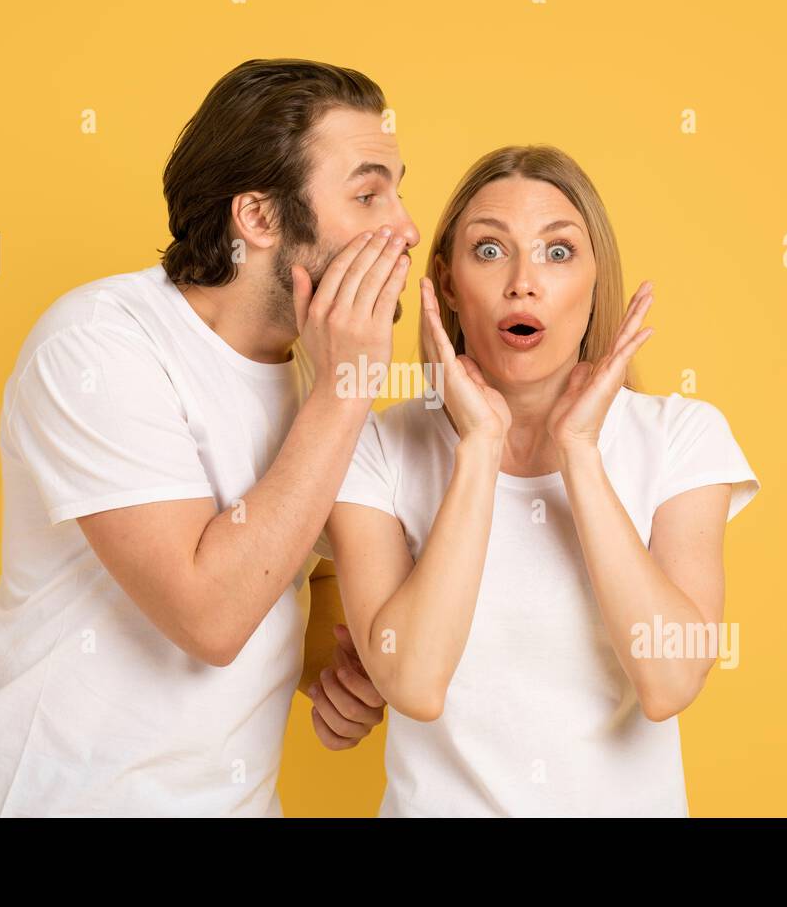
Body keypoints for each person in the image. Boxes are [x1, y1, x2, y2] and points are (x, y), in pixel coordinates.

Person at [0, 58, 419, 816]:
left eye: (398, 189)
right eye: (367, 194)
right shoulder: (98, 345)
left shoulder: (315, 370)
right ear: (258, 218)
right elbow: (210, 614)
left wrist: (332, 667)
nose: (405, 226)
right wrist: (343, 394)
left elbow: (307, 567)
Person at [323, 145, 761, 816]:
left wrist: (579, 450)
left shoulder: (681, 437)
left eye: (558, 253)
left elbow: (669, 680)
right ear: (445, 282)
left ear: (594, 278)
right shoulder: (379, 448)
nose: (523, 282)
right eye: (490, 250)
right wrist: (480, 449)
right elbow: (412, 683)